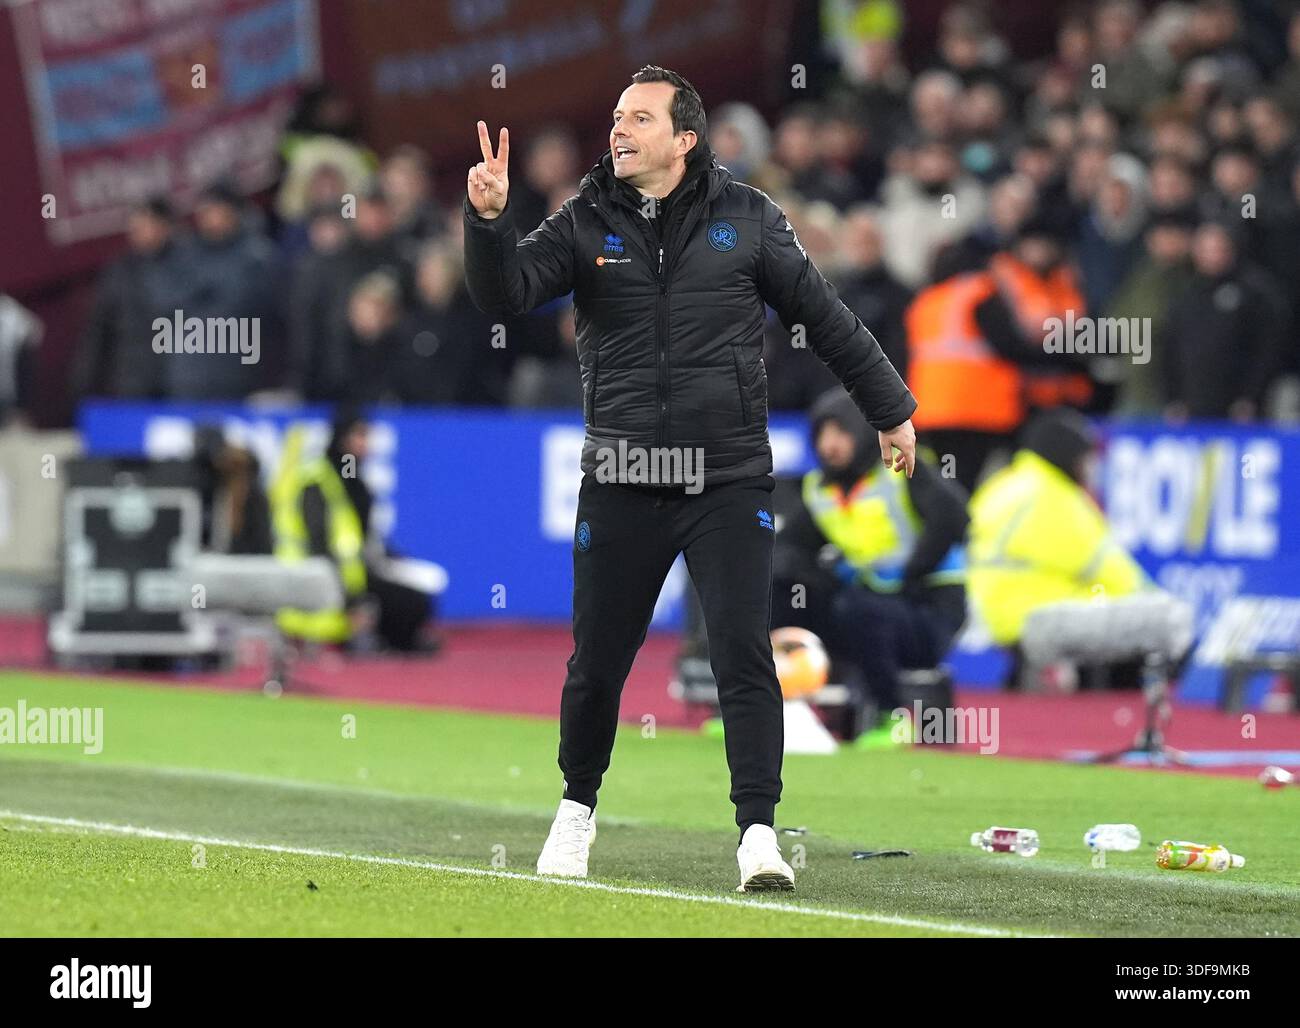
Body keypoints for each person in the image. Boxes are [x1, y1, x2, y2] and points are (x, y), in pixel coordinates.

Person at [463, 65, 917, 891]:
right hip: (624, 475)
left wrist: (890, 410)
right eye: (615, 115)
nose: (619, 130)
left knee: (744, 655)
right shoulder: (582, 220)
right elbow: (507, 297)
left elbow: (827, 317)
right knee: (598, 662)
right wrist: (490, 222)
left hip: (728, 478)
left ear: (685, 138)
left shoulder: (748, 220)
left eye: (639, 118)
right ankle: (574, 816)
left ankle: (757, 837)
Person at [771, 390, 967, 746]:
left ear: (861, 434)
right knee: (777, 590)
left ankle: (891, 716)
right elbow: (790, 548)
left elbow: (954, 516)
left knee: (858, 608)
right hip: (868, 608)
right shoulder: (820, 489)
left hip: (928, 608)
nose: (830, 444)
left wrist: (913, 573)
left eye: (840, 433)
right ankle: (769, 709)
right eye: (822, 434)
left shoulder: (902, 467)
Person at [966, 409, 1191, 688]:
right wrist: (1156, 601)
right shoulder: (1058, 498)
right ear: (1065, 455)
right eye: (1085, 458)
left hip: (993, 617)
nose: (1090, 467)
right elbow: (1116, 573)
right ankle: (1147, 699)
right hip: (1036, 618)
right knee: (1167, 618)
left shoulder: (1001, 485)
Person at [271, 410, 440, 653]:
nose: (364, 444)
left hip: (355, 572)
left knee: (417, 597)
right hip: (324, 573)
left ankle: (391, 639)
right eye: (358, 436)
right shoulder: (318, 479)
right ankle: (365, 635)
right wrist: (350, 597)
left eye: (366, 436)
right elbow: (318, 541)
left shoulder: (354, 480)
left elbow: (362, 536)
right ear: (341, 437)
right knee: (406, 602)